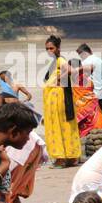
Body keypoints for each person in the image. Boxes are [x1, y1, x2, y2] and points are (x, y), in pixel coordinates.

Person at [40, 36, 80, 166]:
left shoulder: (60, 60)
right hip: (54, 98)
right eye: (47, 49)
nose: (49, 51)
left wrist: (59, 79)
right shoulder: (55, 61)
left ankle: (60, 158)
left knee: (57, 127)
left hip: (58, 99)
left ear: (58, 48)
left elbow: (72, 70)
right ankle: (69, 157)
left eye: (51, 48)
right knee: (63, 126)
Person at [77, 43, 102, 121]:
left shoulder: (85, 62)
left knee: (92, 115)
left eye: (80, 55)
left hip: (92, 92)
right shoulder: (100, 60)